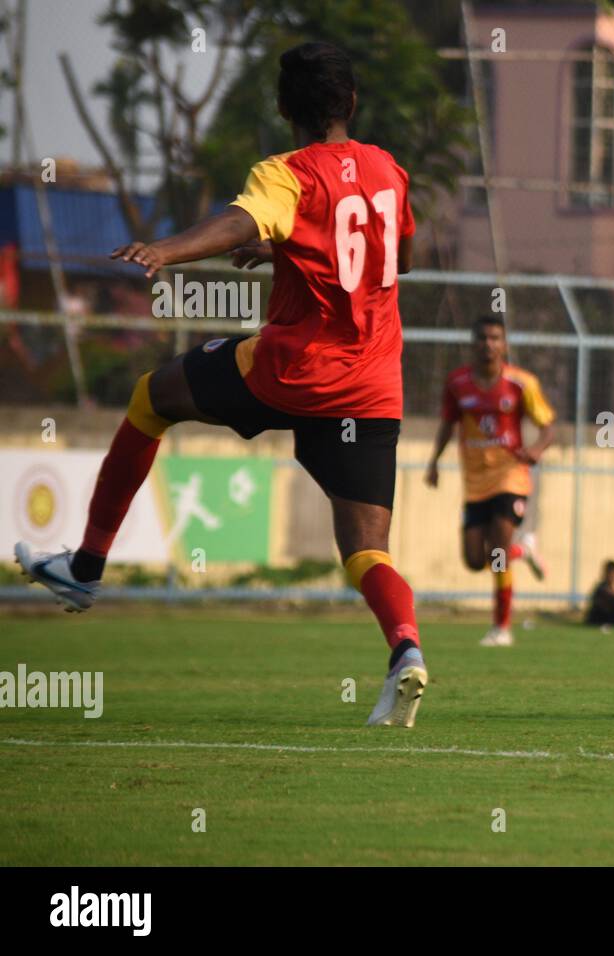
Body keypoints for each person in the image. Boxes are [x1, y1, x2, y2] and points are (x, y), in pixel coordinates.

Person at [15, 42, 429, 729]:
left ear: (282, 108)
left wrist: (167, 250)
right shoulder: (388, 169)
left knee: (153, 398)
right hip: (375, 386)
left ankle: (86, 568)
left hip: (294, 373)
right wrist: (288, 247)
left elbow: (240, 218)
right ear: (351, 104)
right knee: (366, 551)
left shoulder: (287, 173)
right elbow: (398, 258)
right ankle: (406, 651)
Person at [427, 316, 554, 647]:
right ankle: (522, 550)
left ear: (505, 344)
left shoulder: (521, 383)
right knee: (474, 560)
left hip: (511, 476)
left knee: (496, 549)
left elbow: (549, 426)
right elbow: (447, 424)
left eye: (495, 338)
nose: (489, 344)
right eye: (482, 338)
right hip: (475, 482)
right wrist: (434, 462)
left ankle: (502, 627)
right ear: (474, 343)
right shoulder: (457, 384)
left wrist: (537, 449)